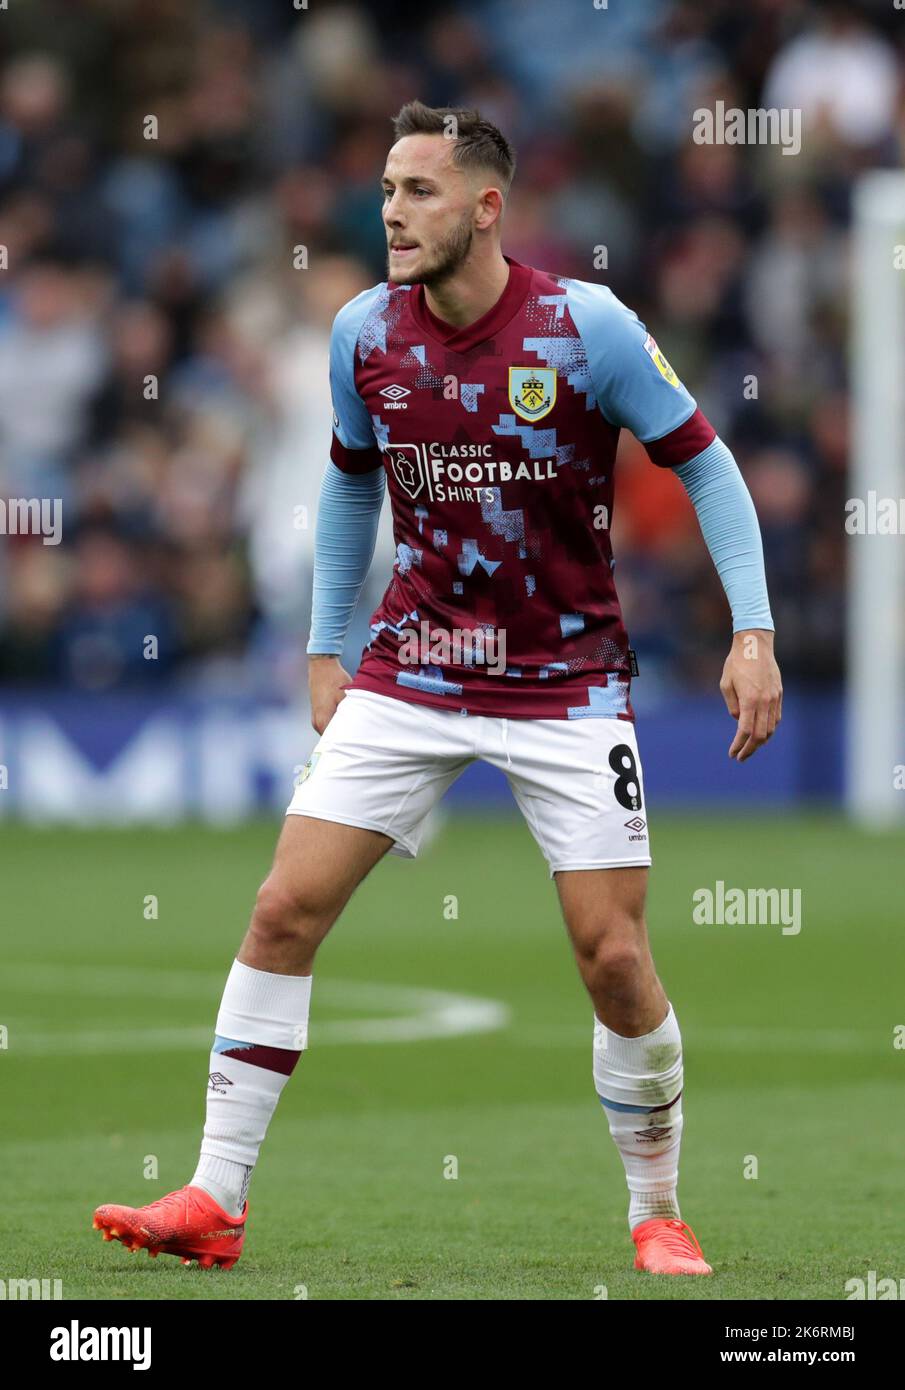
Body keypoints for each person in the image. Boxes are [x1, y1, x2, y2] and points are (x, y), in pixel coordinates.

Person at [94, 101, 781, 1277]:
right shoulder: (363, 333)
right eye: (384, 191)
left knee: (611, 957)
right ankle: (215, 1193)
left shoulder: (586, 328)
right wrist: (326, 642)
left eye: (416, 191)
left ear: (484, 206)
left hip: (564, 679)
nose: (391, 213)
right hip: (411, 667)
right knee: (281, 909)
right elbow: (351, 484)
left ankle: (655, 1208)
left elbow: (705, 465)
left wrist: (751, 631)